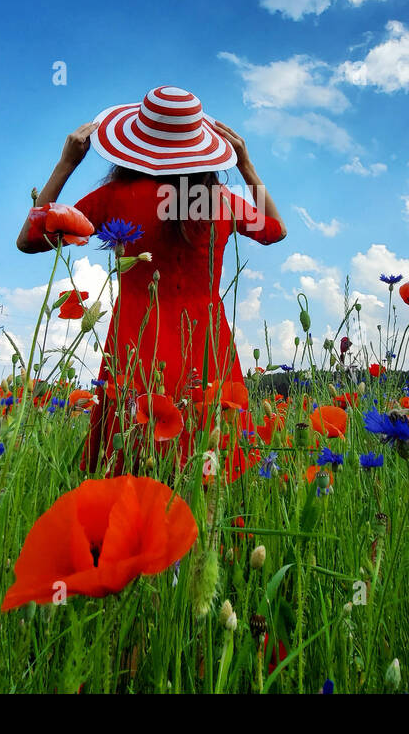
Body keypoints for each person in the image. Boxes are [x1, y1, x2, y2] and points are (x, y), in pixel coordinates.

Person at [16, 86, 286, 474]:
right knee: (210, 464)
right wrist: (247, 168)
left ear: (136, 142)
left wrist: (66, 165)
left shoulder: (113, 196)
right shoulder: (221, 200)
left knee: (130, 455)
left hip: (135, 342)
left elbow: (29, 240)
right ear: (201, 146)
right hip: (206, 345)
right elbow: (275, 230)